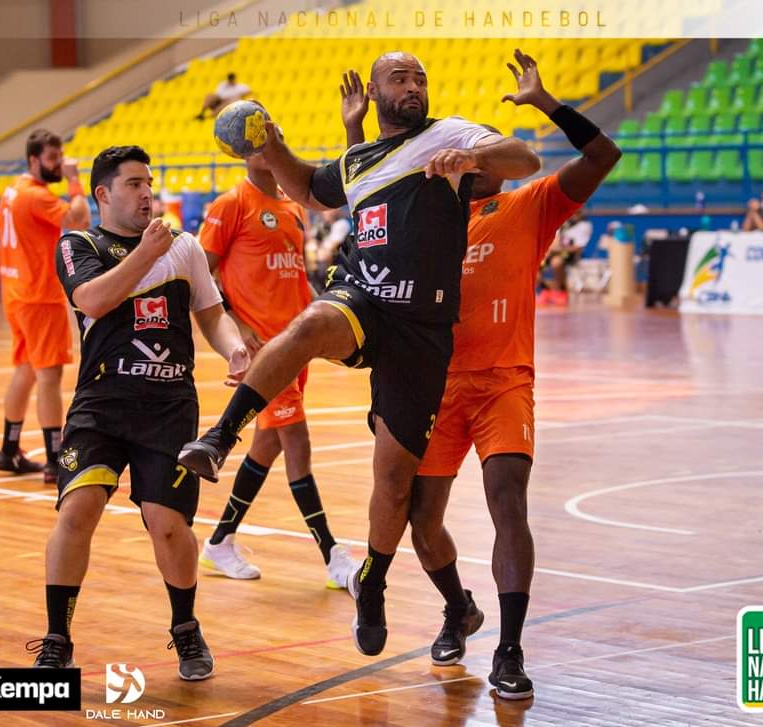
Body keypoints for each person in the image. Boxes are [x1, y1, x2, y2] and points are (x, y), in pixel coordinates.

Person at [177, 54, 540, 657]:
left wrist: (470, 158)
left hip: (422, 333)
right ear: (374, 93)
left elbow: (524, 160)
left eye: (420, 77)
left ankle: (373, 583)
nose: (414, 86)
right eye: (400, 79)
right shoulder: (356, 162)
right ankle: (218, 436)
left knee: (395, 487)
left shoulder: (447, 135)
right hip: (365, 297)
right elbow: (304, 187)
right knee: (310, 324)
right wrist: (276, 143)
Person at [344, 49, 619, 700]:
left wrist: (547, 104)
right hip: (432, 383)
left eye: (483, 152)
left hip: (502, 381)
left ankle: (511, 647)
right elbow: (366, 202)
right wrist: (355, 131)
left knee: (507, 502)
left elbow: (604, 156)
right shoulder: (431, 208)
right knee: (421, 519)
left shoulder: (531, 206)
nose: (478, 158)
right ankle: (457, 608)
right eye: (471, 152)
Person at [26, 146, 250, 679]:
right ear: (103, 194)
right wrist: (146, 255)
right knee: (76, 511)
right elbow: (93, 301)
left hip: (169, 408)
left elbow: (212, 315)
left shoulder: (186, 247)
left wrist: (234, 348)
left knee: (168, 525)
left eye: (149, 181)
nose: (146, 191)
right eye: (132, 183)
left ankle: (186, 630)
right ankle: (57, 638)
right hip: (101, 405)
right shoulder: (78, 244)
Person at [196, 152, 359, 587]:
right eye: (262, 141)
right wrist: (237, 322)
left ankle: (218, 542)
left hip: (296, 344)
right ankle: (333, 557)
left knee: (266, 447)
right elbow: (198, 274)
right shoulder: (231, 204)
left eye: (278, 139)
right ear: (245, 152)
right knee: (297, 445)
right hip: (266, 350)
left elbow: (294, 277)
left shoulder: (291, 206)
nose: (273, 148)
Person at [0, 129, 92, 482]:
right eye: (53, 159)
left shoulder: (10, 191)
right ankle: (55, 459)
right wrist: (74, 181)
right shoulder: (37, 197)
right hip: (39, 295)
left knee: (25, 369)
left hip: (16, 293)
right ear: (34, 160)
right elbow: (80, 219)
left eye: (61, 157)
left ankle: (8, 451)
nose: (59, 163)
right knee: (49, 376)